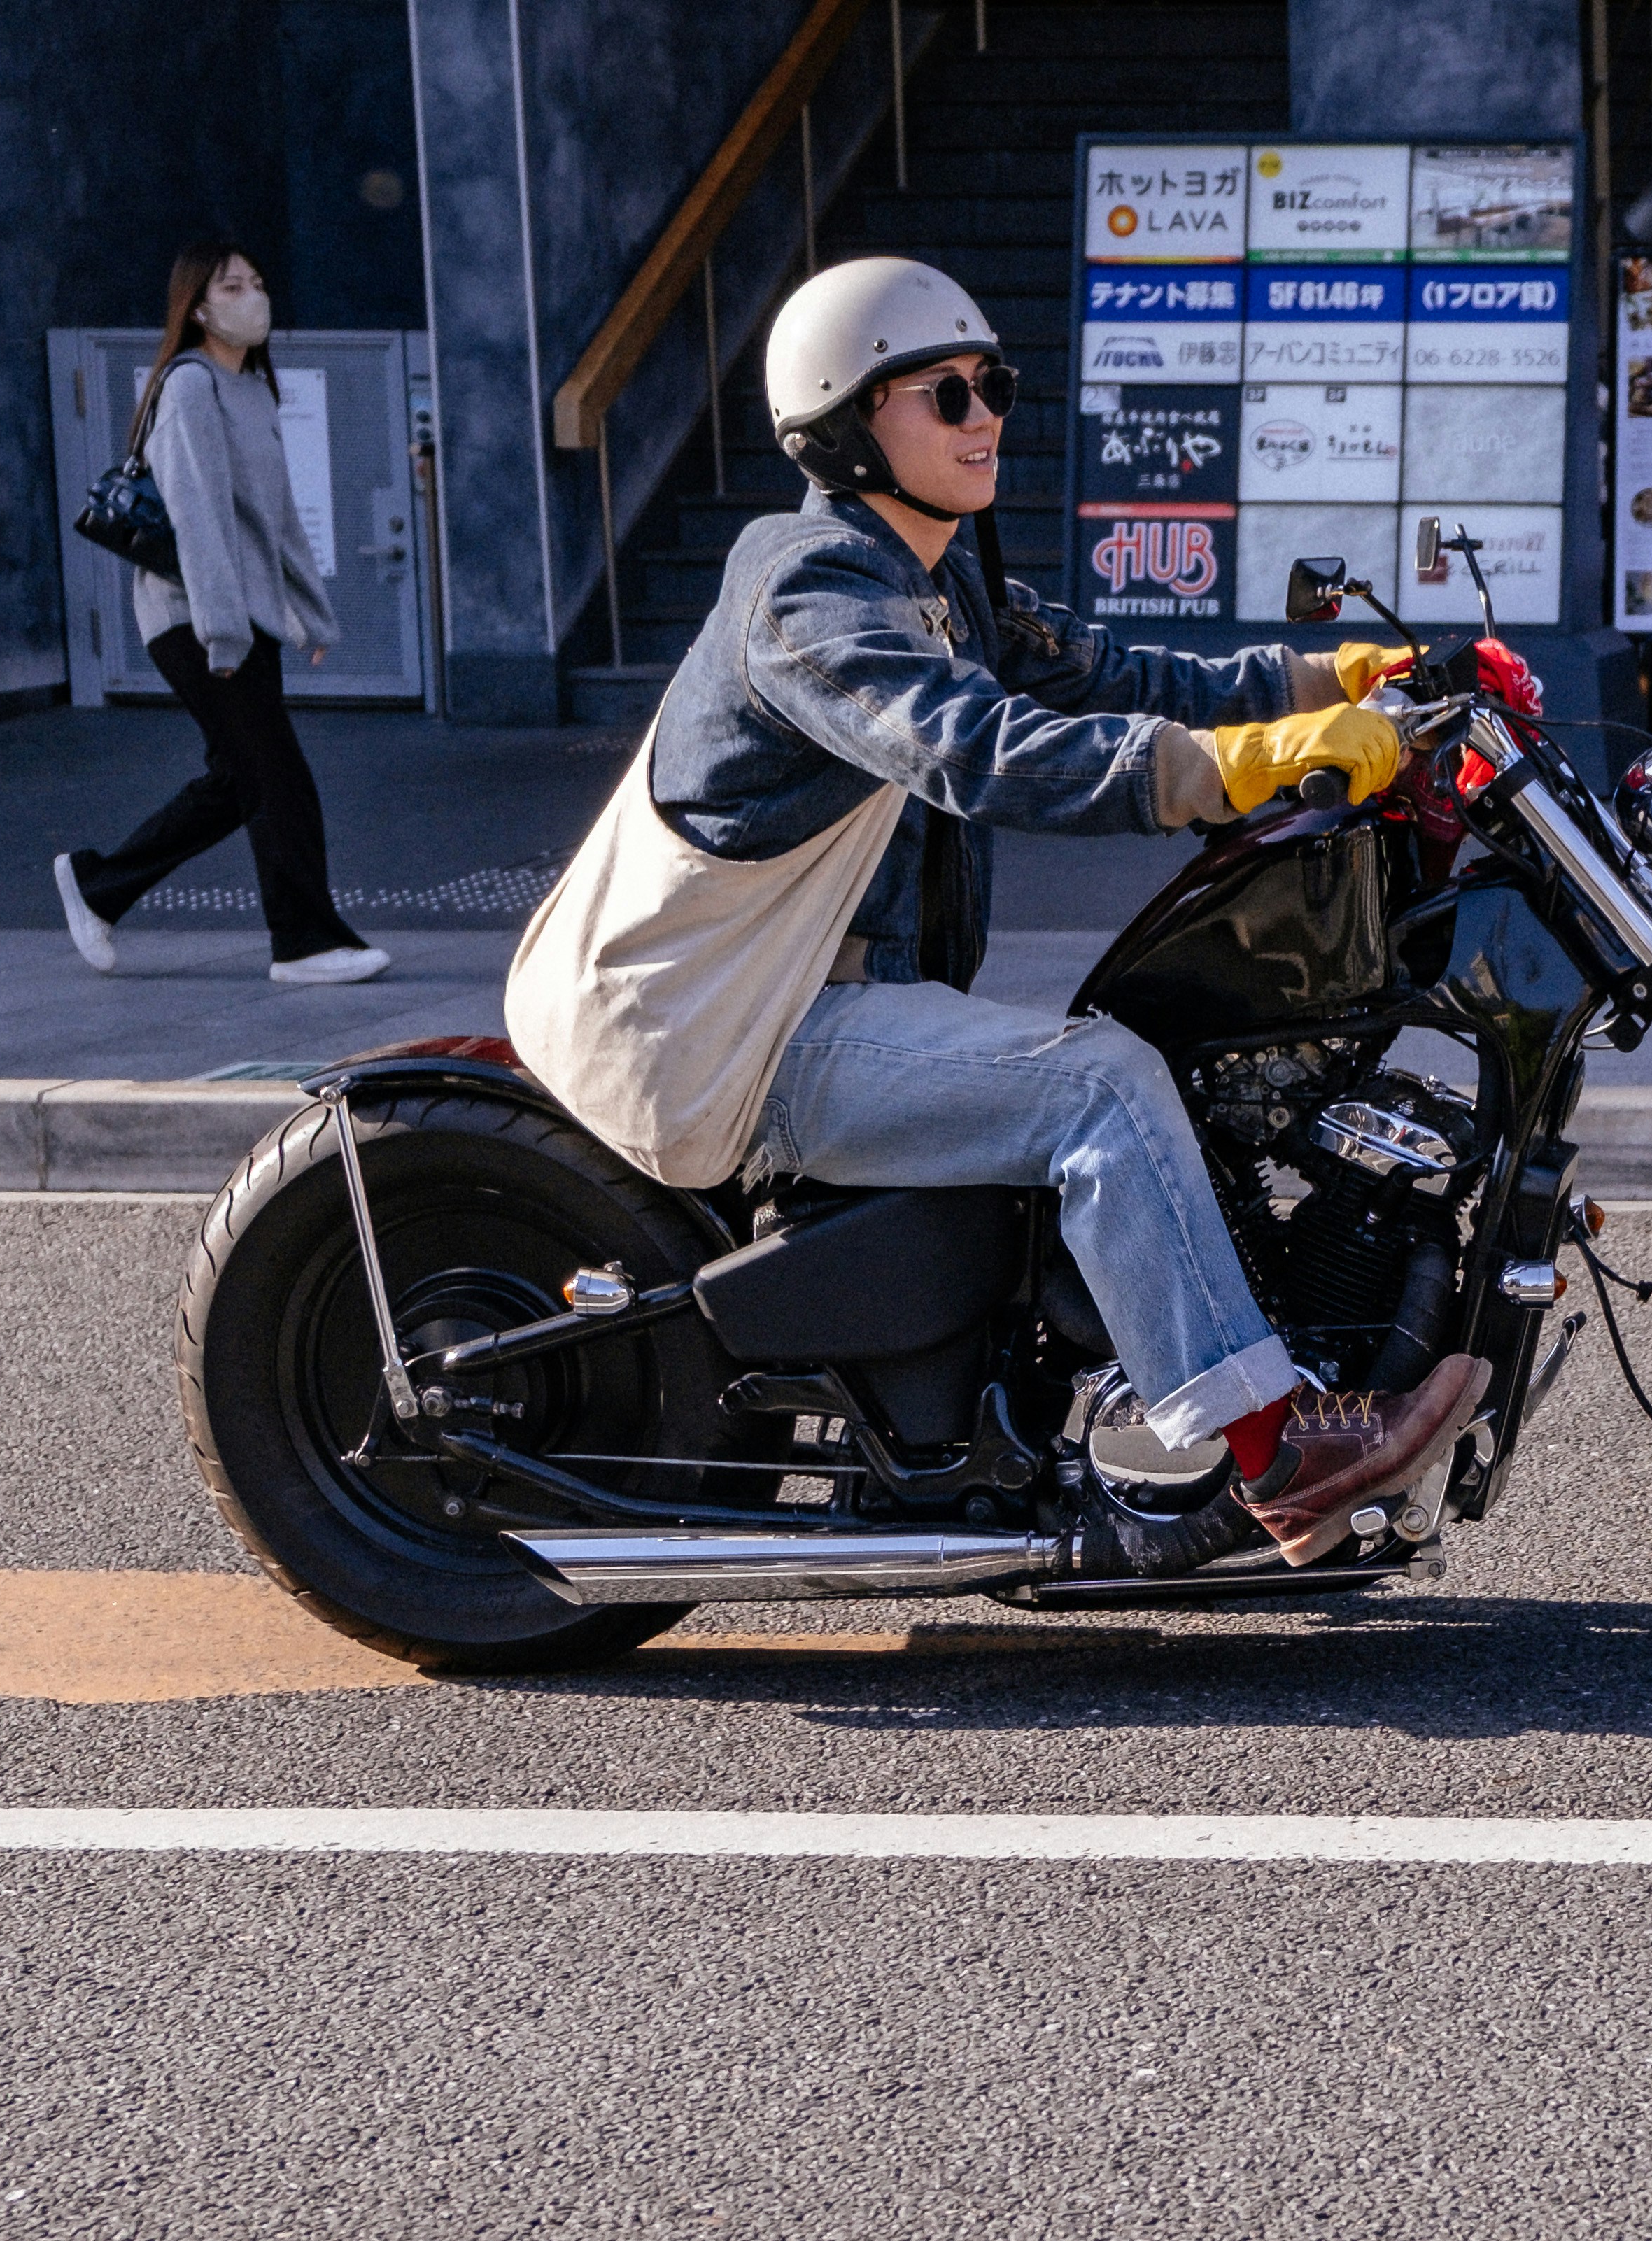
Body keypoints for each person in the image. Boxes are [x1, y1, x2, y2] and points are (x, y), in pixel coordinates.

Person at [506, 256, 1486, 1568]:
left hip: (814, 1002)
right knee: (1100, 1084)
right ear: (845, 425)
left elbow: (1109, 672)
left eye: (995, 387)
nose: (984, 419)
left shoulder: (935, 575)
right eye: (945, 394)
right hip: (728, 1031)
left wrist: (1330, 678)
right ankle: (1273, 1452)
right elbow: (976, 745)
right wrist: (1231, 769)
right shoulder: (810, 591)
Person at [52, 240, 388, 987]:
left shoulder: (253, 391)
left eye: (257, 283)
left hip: (238, 619)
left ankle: (99, 886)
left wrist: (309, 616)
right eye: (232, 287)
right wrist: (225, 633)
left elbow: (278, 520)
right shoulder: (190, 386)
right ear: (198, 309)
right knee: (280, 777)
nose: (252, 297)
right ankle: (304, 944)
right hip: (193, 620)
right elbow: (197, 517)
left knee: (239, 779)